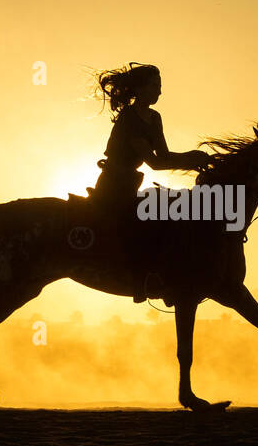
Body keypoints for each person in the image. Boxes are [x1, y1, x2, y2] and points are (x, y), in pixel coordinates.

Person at [88, 63, 209, 301]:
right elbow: (154, 163)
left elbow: (164, 156)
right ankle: (140, 278)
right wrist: (191, 160)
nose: (160, 92)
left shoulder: (154, 118)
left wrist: (194, 158)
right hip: (113, 185)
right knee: (146, 222)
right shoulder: (129, 118)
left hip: (130, 183)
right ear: (140, 88)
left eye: (160, 86)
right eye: (155, 86)